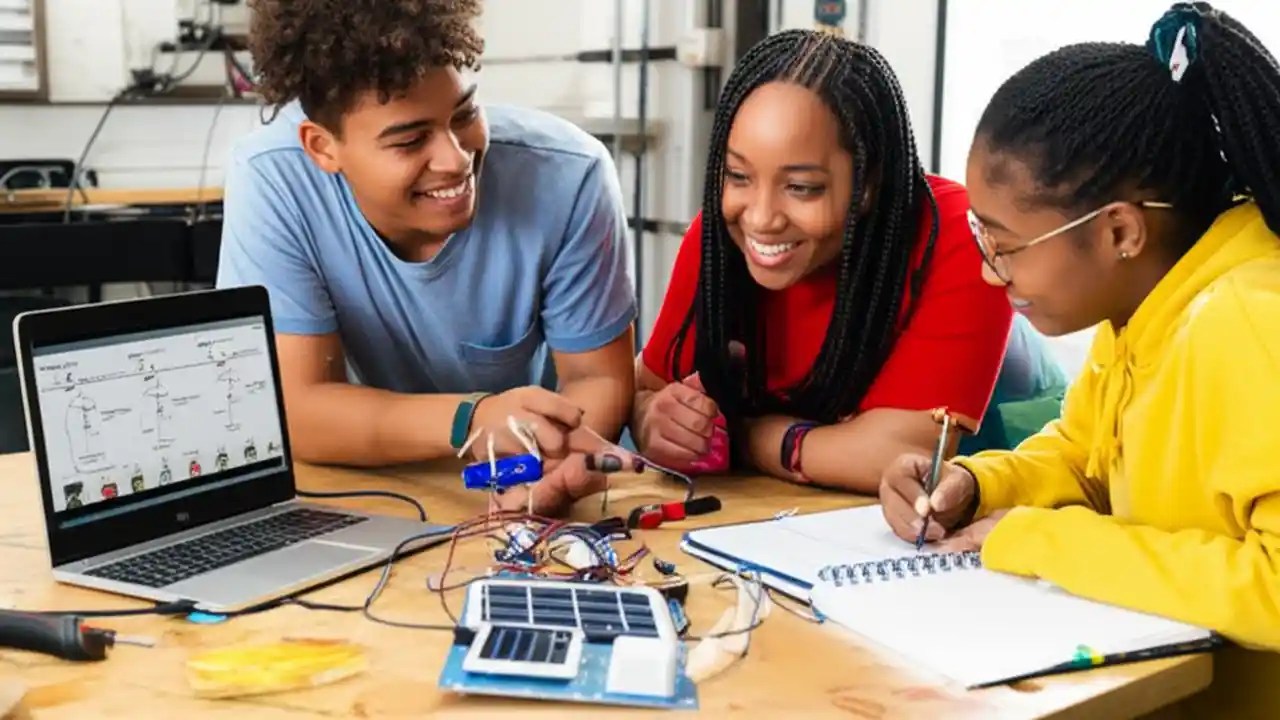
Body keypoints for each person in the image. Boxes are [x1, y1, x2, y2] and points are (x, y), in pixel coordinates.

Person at [879, 2, 1280, 712]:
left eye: (1004, 247)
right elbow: (1085, 456)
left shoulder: (1245, 321)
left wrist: (1047, 542)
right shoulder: (1146, 303)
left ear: (1119, 230)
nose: (988, 273)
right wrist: (979, 485)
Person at [216, 0, 636, 513]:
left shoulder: (571, 176)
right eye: (410, 140)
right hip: (367, 490)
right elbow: (296, 409)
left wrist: (544, 465)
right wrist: (473, 419)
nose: (456, 158)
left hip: (523, 475)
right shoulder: (271, 181)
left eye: (464, 114)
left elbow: (598, 378)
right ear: (323, 148)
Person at [630, 29, 1065, 492]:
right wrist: (655, 422)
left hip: (992, 483)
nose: (760, 217)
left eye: (801, 187)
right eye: (738, 176)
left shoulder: (959, 233)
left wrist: (741, 433)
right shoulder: (721, 239)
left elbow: (900, 459)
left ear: (868, 184)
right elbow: (647, 386)